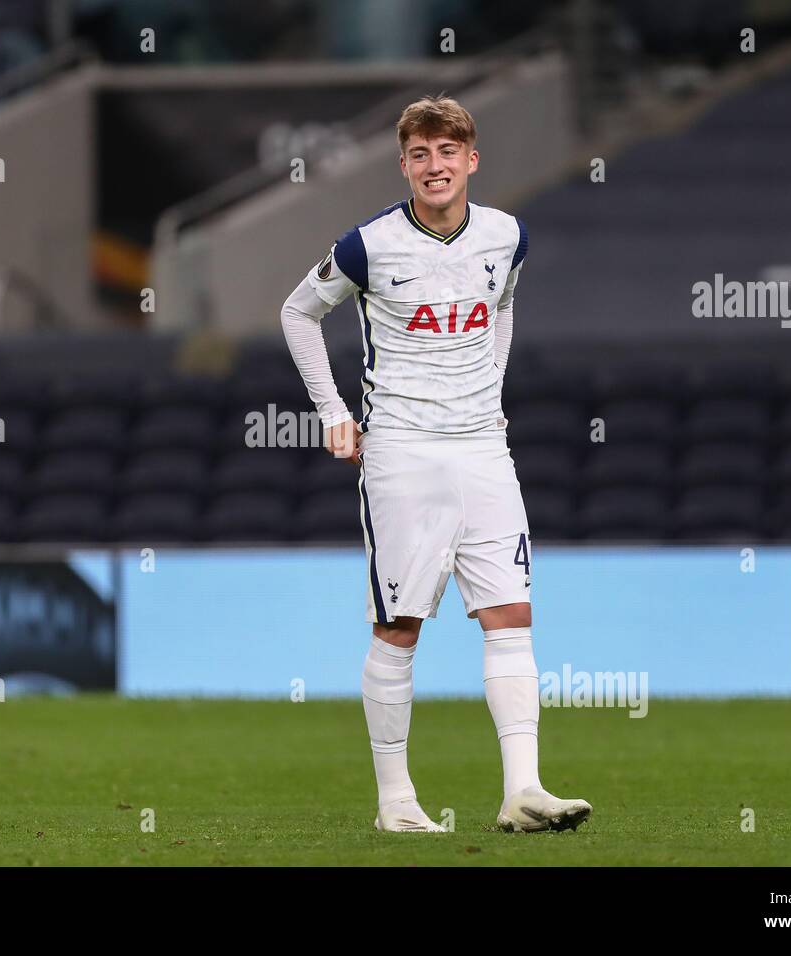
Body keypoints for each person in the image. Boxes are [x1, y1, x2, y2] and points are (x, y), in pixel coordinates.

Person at [280, 95, 591, 833]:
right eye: (420, 154)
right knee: (401, 627)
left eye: (447, 152)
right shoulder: (367, 246)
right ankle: (396, 804)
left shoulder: (507, 237)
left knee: (511, 614)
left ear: (471, 159)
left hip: (484, 444)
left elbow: (503, 303)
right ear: (405, 165)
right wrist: (332, 413)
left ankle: (523, 791)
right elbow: (297, 312)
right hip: (403, 452)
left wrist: (494, 384)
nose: (435, 166)